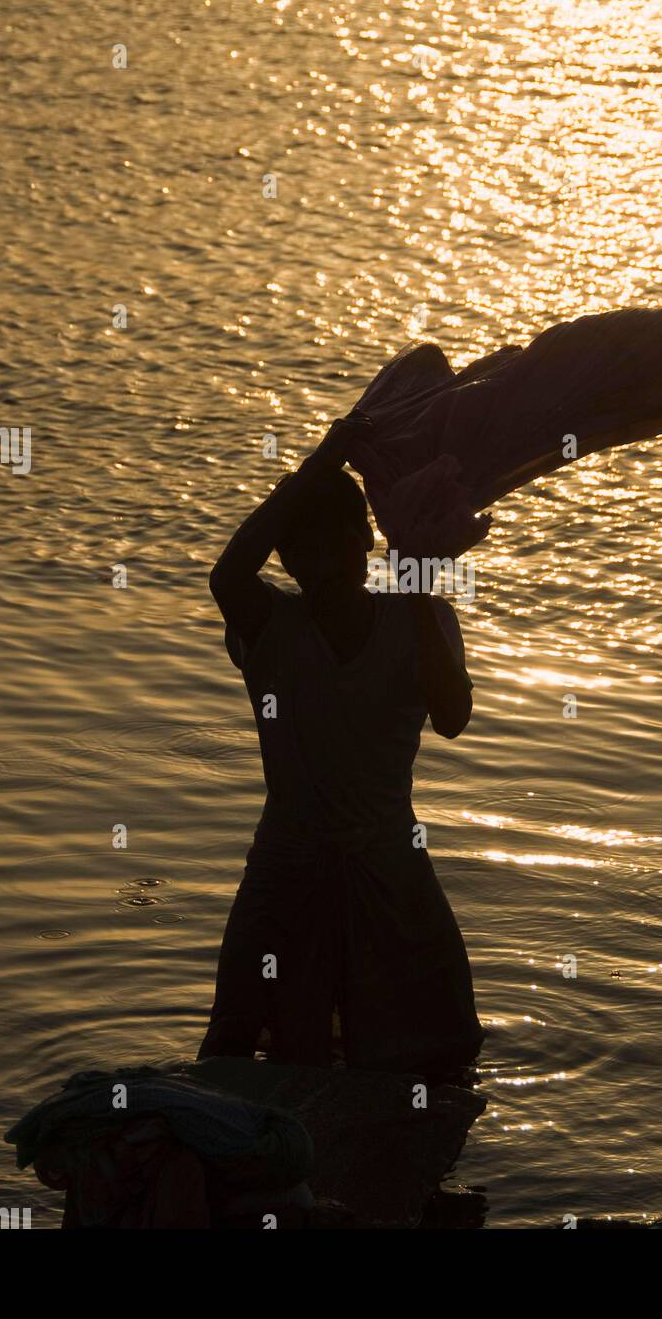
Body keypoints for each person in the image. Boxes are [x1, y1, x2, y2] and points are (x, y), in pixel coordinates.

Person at [199, 413, 484, 1075]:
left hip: (390, 871)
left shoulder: (421, 614)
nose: (325, 567)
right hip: (287, 870)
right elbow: (226, 576)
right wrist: (320, 463)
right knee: (241, 1055)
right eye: (306, 553)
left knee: (431, 1061)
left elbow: (452, 716)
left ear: (367, 540)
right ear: (289, 560)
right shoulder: (269, 626)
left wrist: (413, 581)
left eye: (340, 546)